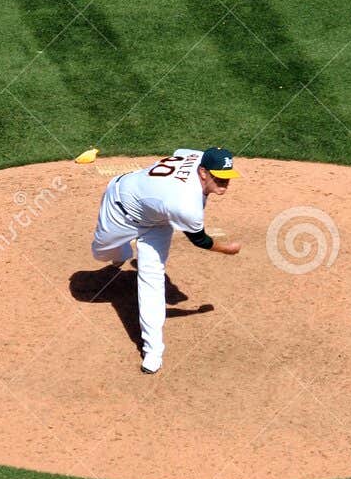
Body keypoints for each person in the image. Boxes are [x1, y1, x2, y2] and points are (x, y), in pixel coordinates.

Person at [88, 148, 241, 373]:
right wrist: (226, 249)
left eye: (227, 177)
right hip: (120, 209)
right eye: (218, 177)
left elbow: (180, 152)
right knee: (101, 253)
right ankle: (121, 253)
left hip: (158, 222)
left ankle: (152, 351)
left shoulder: (197, 158)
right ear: (202, 172)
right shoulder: (186, 204)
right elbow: (200, 240)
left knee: (152, 279)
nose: (224, 182)